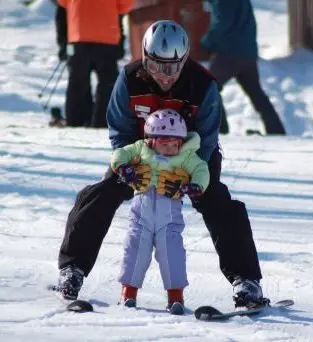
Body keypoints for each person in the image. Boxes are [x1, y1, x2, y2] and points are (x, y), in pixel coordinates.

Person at [57, 20, 264, 309]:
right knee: (100, 194)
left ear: (184, 61)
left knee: (218, 200)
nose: (164, 76)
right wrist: (130, 166)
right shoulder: (129, 79)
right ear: (144, 57)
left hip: (192, 157)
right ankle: (73, 268)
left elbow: (206, 138)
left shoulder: (202, 84)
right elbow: (119, 129)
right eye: (155, 66)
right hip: (141, 153)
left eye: (172, 68)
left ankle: (246, 280)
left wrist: (188, 173)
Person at [111, 108, 209, 315]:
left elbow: (201, 169)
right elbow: (120, 153)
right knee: (135, 250)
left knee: (172, 253)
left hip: (169, 214)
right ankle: (128, 292)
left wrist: (195, 186)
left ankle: (176, 296)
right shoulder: (140, 149)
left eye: (176, 142)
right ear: (152, 140)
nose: (172, 147)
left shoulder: (186, 156)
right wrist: (123, 168)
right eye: (165, 142)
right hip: (141, 211)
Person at [201, 0, 286, 135]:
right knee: (256, 94)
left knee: (208, 87)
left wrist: (206, 42)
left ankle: (221, 131)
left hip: (229, 53)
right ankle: (276, 131)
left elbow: (222, 21)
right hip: (248, 53)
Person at [55, 0, 133, 128]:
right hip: (107, 38)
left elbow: (61, 11)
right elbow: (124, 7)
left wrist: (63, 43)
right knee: (107, 83)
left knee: (78, 82)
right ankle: (103, 121)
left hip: (78, 38)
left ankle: (76, 120)